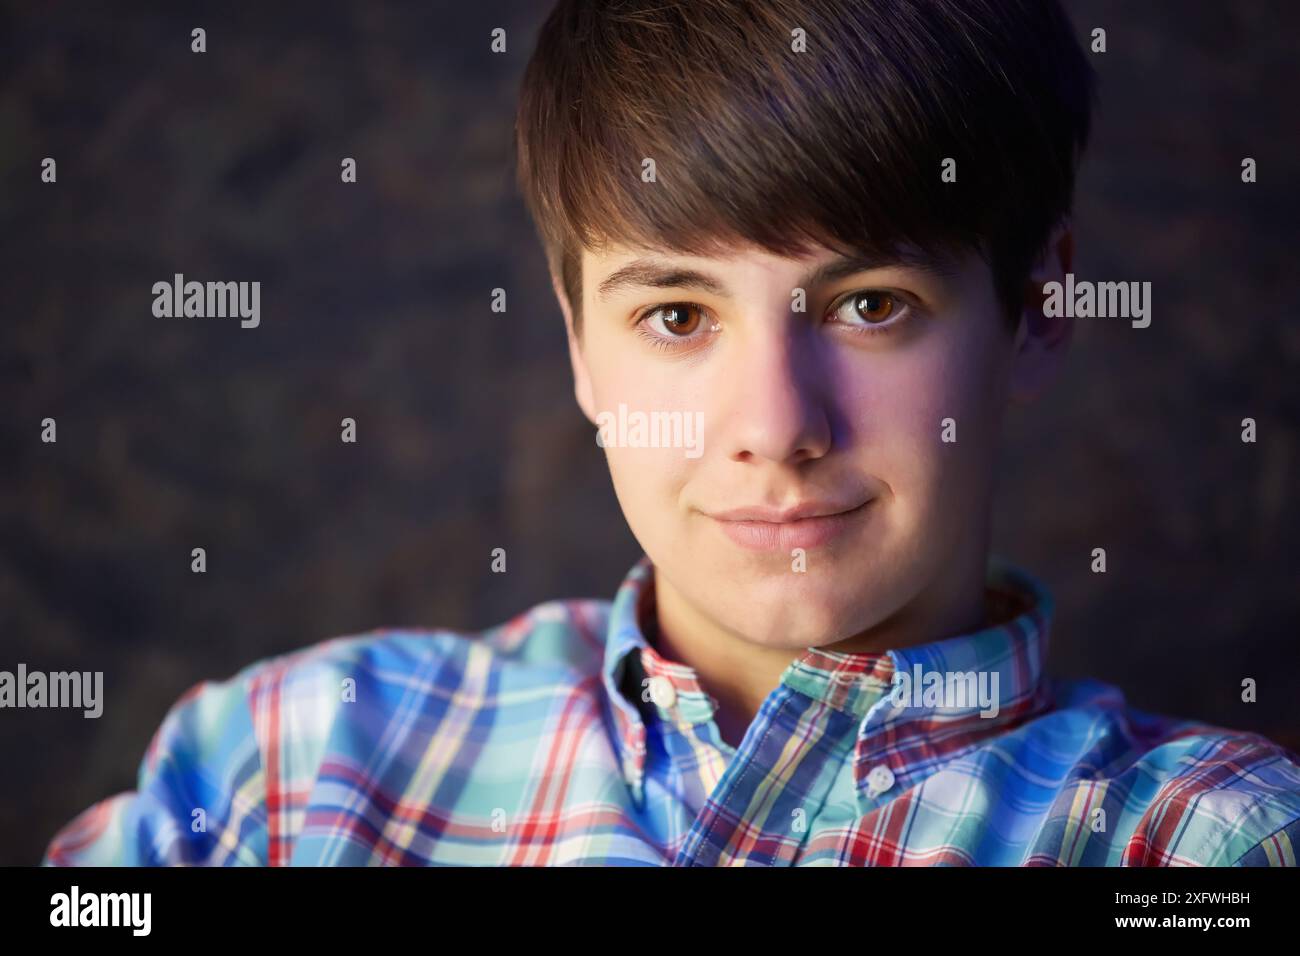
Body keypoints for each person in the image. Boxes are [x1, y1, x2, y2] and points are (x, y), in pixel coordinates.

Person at [43, 0, 1300, 866]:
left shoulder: (1202, 843)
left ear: (1034, 311)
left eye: (872, 306)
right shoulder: (287, 768)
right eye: (676, 313)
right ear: (583, 345)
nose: (775, 427)